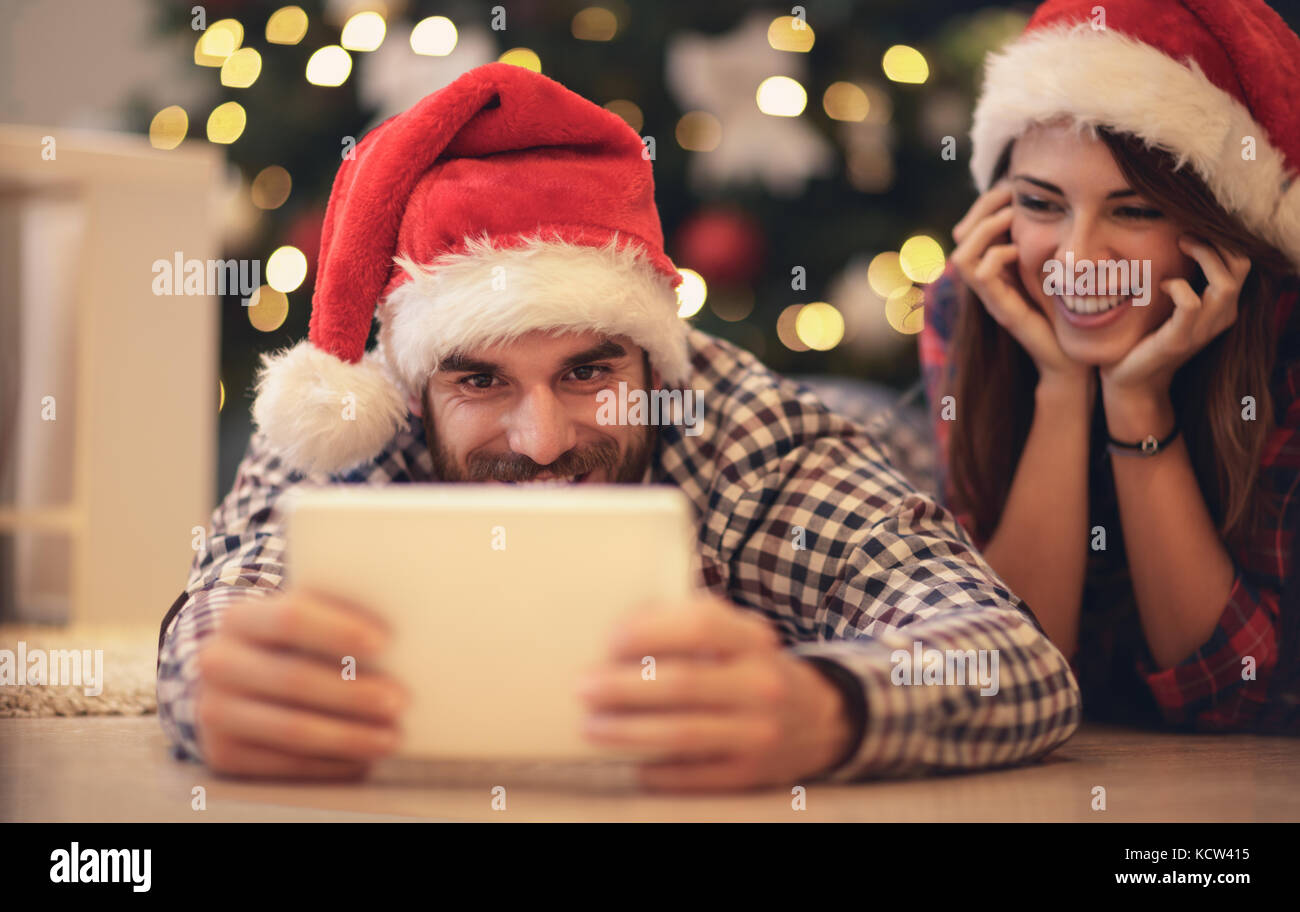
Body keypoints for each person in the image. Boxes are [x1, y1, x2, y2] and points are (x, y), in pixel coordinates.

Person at [157, 62, 1080, 790]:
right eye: (479, 381)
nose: (545, 442)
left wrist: (829, 706)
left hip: (873, 423)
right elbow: (229, 594)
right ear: (411, 385)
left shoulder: (761, 440)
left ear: (653, 361)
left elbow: (1018, 662)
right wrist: (218, 684)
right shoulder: (352, 422)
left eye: (590, 372)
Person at [923, 0, 1300, 732]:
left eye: (1134, 212)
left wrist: (1138, 404)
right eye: (1041, 203)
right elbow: (1004, 675)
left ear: (1219, 222)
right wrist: (1062, 386)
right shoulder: (968, 302)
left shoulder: (1284, 332)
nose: (1077, 261)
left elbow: (1235, 695)